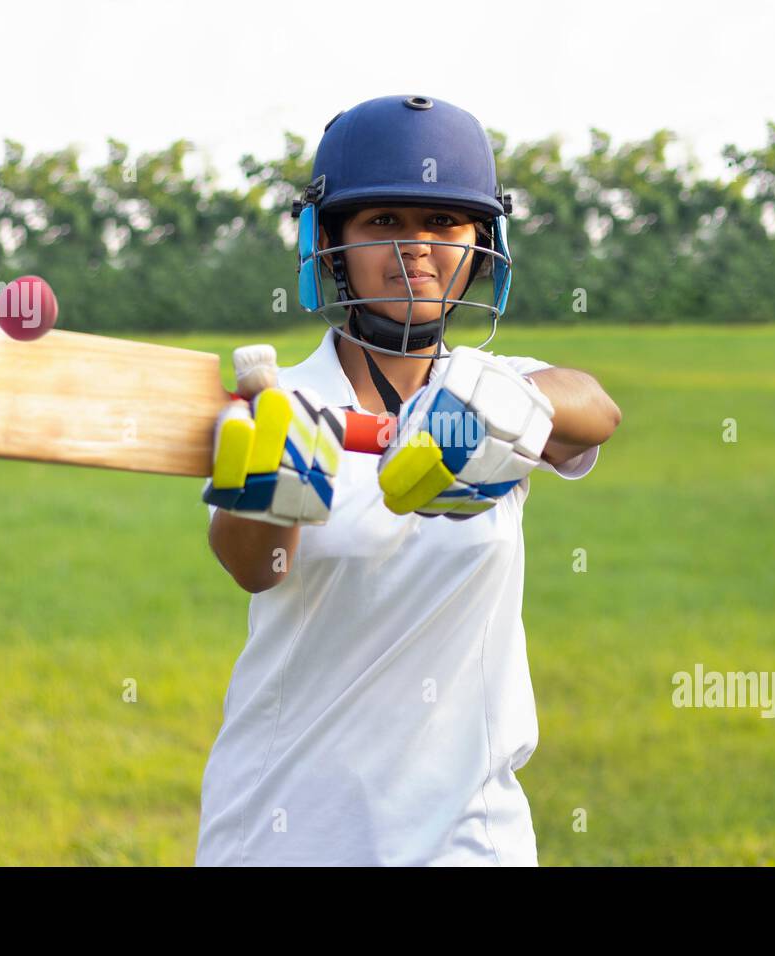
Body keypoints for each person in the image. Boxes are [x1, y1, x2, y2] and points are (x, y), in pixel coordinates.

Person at [196, 95, 621, 865]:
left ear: (482, 243)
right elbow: (253, 566)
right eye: (384, 222)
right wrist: (276, 469)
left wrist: (504, 404)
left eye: (445, 224)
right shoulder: (283, 399)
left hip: (473, 832)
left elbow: (596, 410)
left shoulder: (496, 387)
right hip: (292, 826)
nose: (415, 248)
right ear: (329, 243)